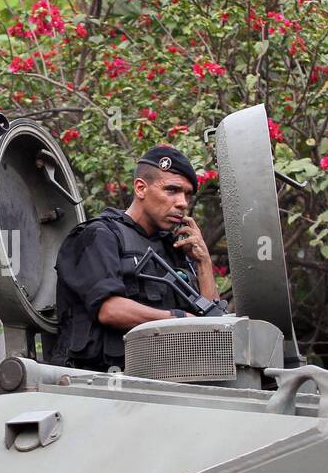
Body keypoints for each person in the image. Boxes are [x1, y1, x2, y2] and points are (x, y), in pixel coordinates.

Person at [51, 145, 220, 372]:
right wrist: (176, 320)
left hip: (166, 379)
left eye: (187, 194)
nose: (183, 203)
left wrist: (203, 263)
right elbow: (109, 309)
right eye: (172, 190)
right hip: (97, 382)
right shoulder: (99, 235)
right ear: (141, 188)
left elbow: (211, 322)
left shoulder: (174, 247)